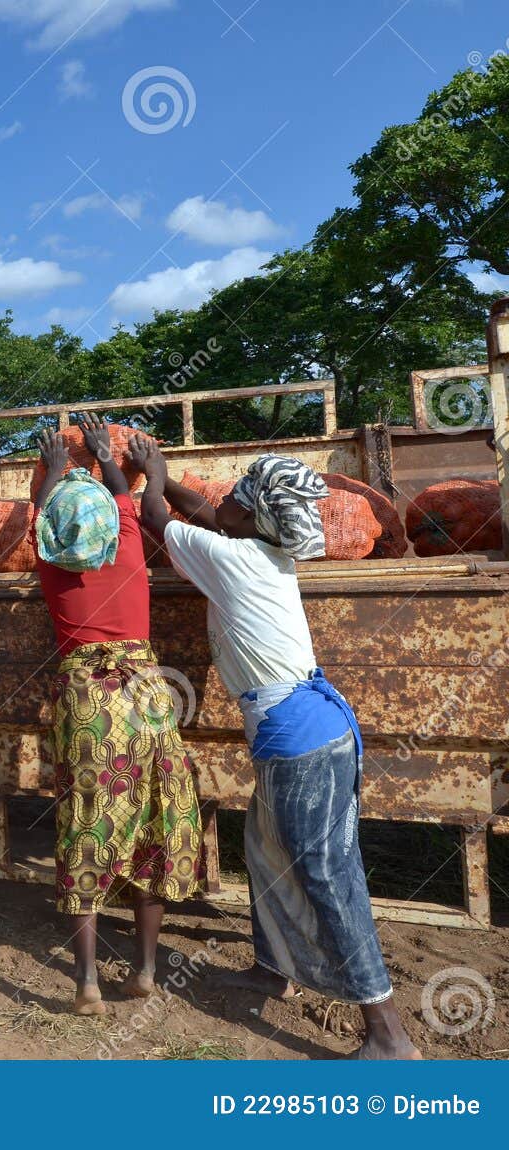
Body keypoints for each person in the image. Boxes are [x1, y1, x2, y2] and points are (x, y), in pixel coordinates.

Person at [130, 439, 421, 1060]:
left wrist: (150, 474)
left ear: (252, 514)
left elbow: (159, 517)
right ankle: (274, 968)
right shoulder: (260, 548)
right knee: (264, 851)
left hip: (299, 740)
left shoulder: (233, 560)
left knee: (325, 873)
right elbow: (203, 512)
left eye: (237, 493)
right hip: (304, 727)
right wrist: (171, 478)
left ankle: (388, 1033)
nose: (224, 499)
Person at [33, 415, 203, 1016]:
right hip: (146, 695)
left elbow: (44, 516)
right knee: (153, 822)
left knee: (87, 823)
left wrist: (55, 470)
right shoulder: (128, 544)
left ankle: (85, 986)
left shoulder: (52, 568)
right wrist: (108, 458)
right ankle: (147, 970)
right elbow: (126, 502)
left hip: (87, 700)